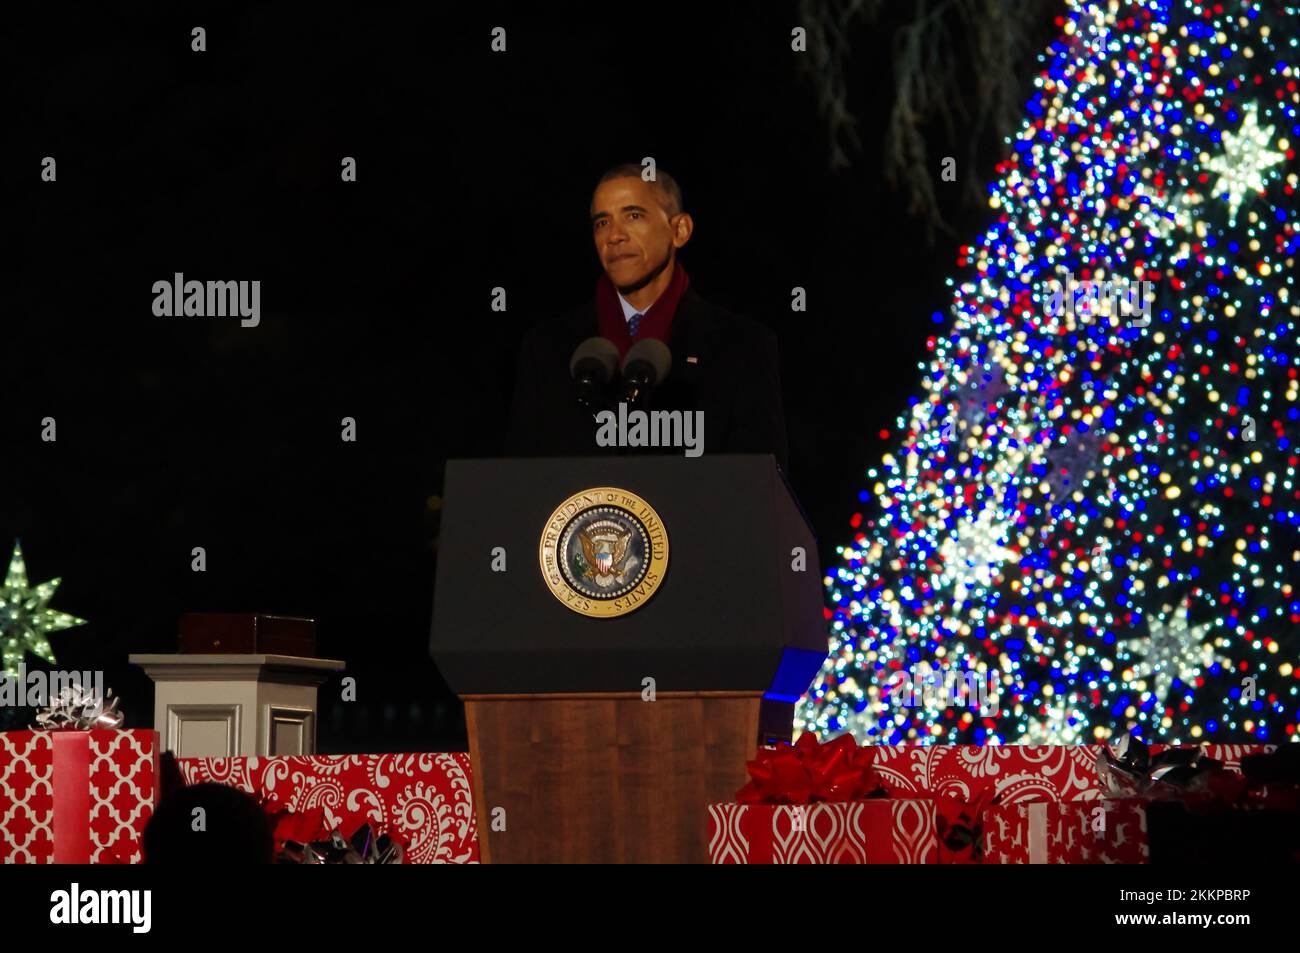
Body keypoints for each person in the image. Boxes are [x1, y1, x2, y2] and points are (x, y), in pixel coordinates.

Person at [506, 163, 789, 470]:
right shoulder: (548, 349)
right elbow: (520, 483)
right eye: (602, 222)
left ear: (679, 230)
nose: (614, 235)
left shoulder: (742, 347)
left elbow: (761, 486)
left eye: (634, 216)